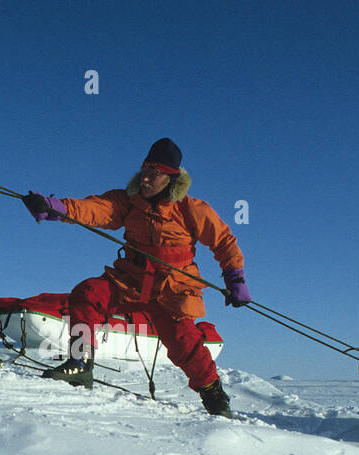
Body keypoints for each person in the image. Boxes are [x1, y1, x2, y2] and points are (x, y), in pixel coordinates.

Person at [22, 138, 251, 418]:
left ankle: (214, 394)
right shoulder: (128, 202)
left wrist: (235, 279)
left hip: (172, 290)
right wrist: (54, 207)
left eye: (154, 173)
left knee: (185, 345)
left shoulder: (192, 210)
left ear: (171, 178)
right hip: (129, 281)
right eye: (144, 169)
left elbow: (224, 241)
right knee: (89, 293)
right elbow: (95, 209)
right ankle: (80, 364)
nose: (145, 177)